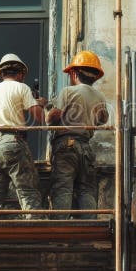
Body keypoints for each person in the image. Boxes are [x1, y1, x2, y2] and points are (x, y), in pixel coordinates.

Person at [0, 53, 46, 220]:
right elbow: (40, 118)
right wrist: (39, 104)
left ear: (1, 73)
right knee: (28, 192)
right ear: (20, 74)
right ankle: (38, 236)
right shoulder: (21, 88)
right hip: (13, 141)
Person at [47, 50, 109, 219]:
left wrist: (46, 113)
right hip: (86, 147)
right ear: (94, 76)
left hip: (66, 145)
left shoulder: (67, 92)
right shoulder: (100, 96)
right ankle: (89, 227)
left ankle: (60, 229)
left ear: (74, 73)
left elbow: (53, 116)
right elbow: (102, 120)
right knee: (87, 189)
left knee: (62, 188)